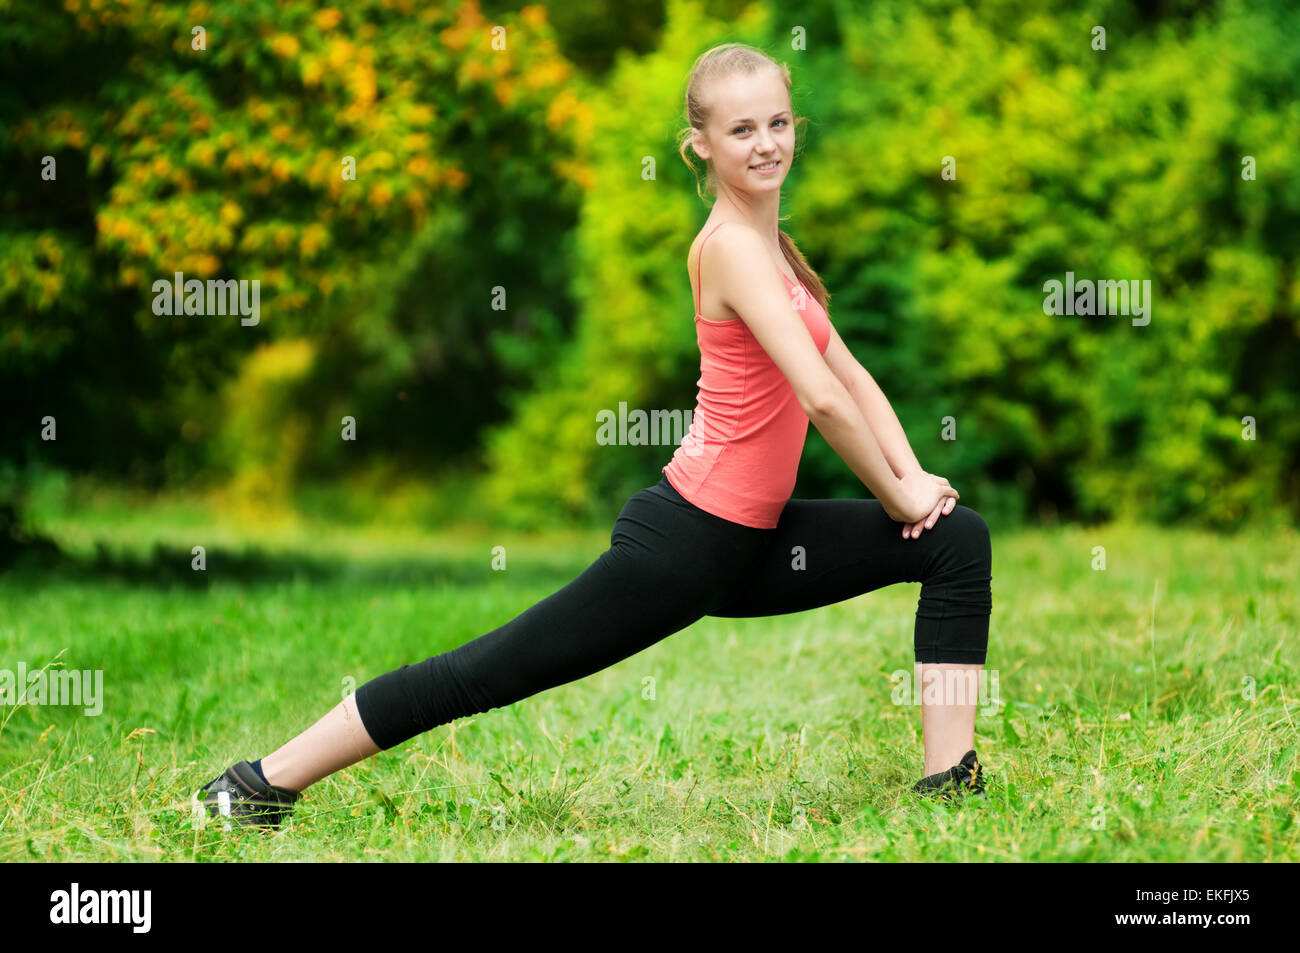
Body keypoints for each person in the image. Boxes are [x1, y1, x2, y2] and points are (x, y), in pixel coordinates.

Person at [197, 42, 992, 831]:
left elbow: (848, 372)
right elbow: (819, 400)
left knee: (955, 542)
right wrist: (895, 493)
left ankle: (948, 781)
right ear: (702, 146)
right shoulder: (730, 249)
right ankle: (258, 782)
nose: (766, 143)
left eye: (778, 122)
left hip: (756, 541)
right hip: (687, 543)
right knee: (483, 672)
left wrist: (917, 478)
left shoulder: (775, 250)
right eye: (742, 129)